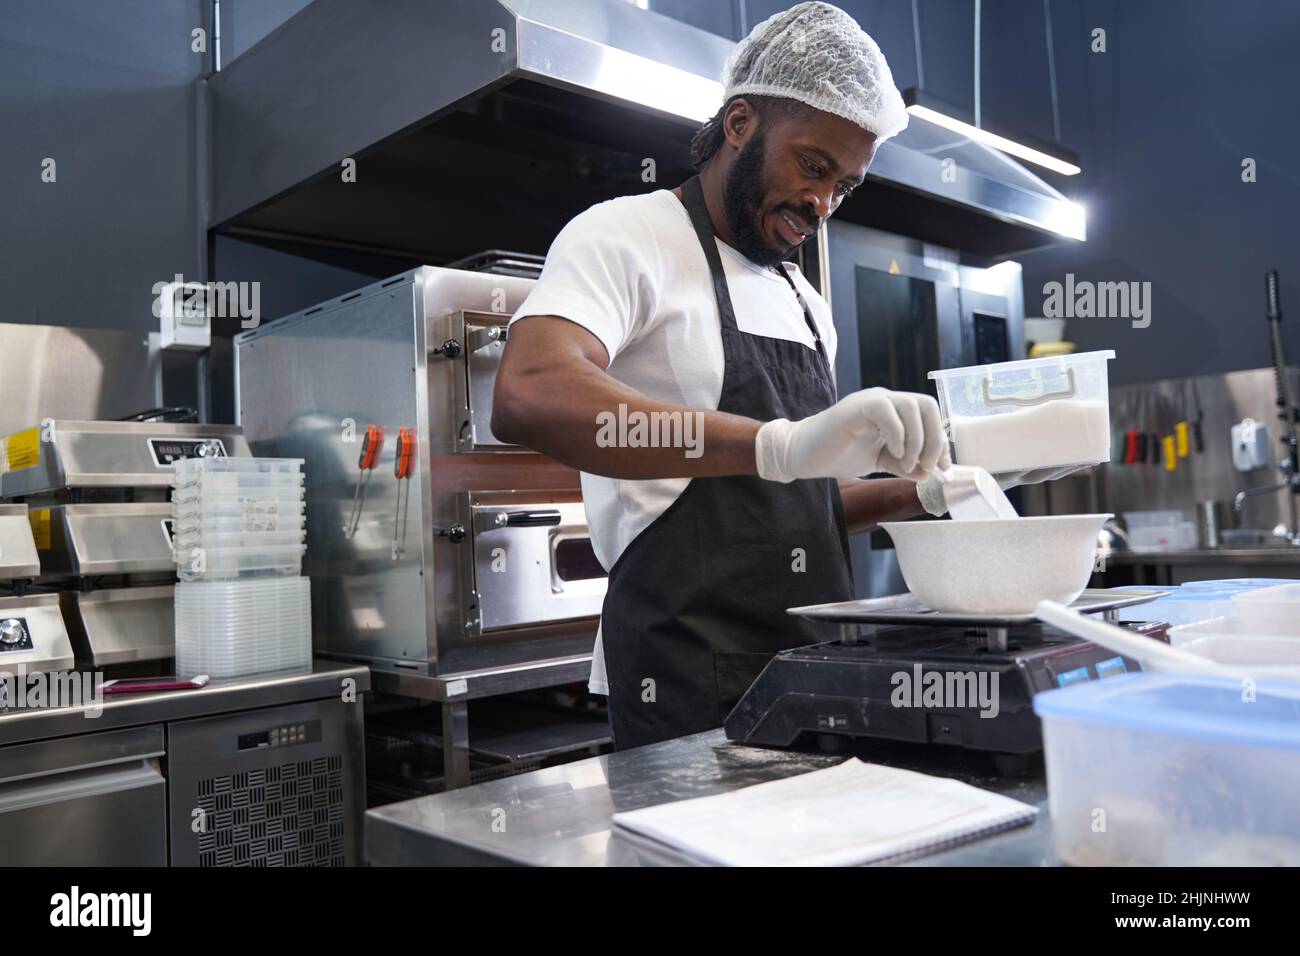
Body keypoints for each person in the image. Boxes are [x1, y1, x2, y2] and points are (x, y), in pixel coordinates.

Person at [493, 2, 961, 749]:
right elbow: (528, 391)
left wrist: (929, 491)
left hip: (816, 667)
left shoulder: (806, 302)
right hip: (684, 677)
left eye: (845, 186)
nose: (822, 204)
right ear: (739, 124)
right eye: (813, 166)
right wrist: (776, 445)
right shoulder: (628, 235)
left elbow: (796, 508)